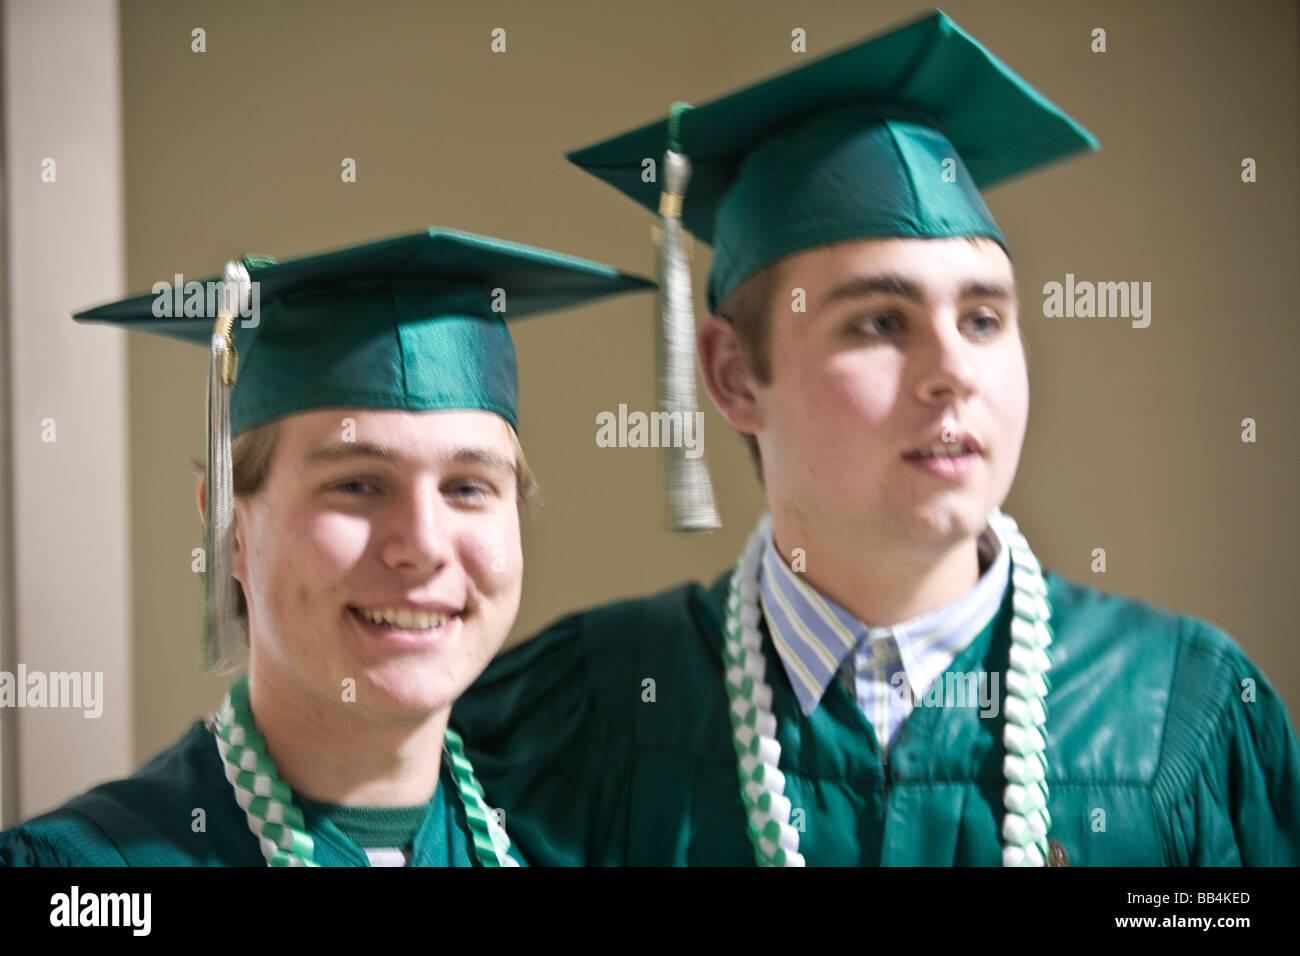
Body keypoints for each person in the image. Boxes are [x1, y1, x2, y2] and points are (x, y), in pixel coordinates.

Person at [451, 11, 1300, 865]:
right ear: (735, 376)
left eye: (982, 317)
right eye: (882, 321)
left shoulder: (1179, 710)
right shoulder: (599, 711)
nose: (952, 371)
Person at [0, 227, 651, 866]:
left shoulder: (559, 845)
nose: (422, 545)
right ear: (229, 527)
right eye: (358, 484)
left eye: (468, 488)